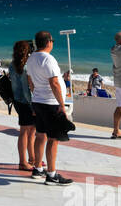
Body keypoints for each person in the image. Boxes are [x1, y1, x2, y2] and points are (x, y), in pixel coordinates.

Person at [25, 31, 73, 184]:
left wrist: (37, 95)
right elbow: (54, 83)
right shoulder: (48, 59)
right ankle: (51, 174)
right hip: (50, 103)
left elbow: (31, 82)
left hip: (38, 101)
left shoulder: (31, 58)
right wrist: (61, 104)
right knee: (53, 139)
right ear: (48, 42)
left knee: (40, 135)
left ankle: (38, 168)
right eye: (52, 40)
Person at [9, 40, 37, 171]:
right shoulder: (25, 67)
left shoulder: (12, 65)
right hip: (26, 103)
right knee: (26, 132)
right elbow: (27, 91)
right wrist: (33, 107)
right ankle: (23, 162)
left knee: (30, 132)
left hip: (17, 101)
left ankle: (32, 159)